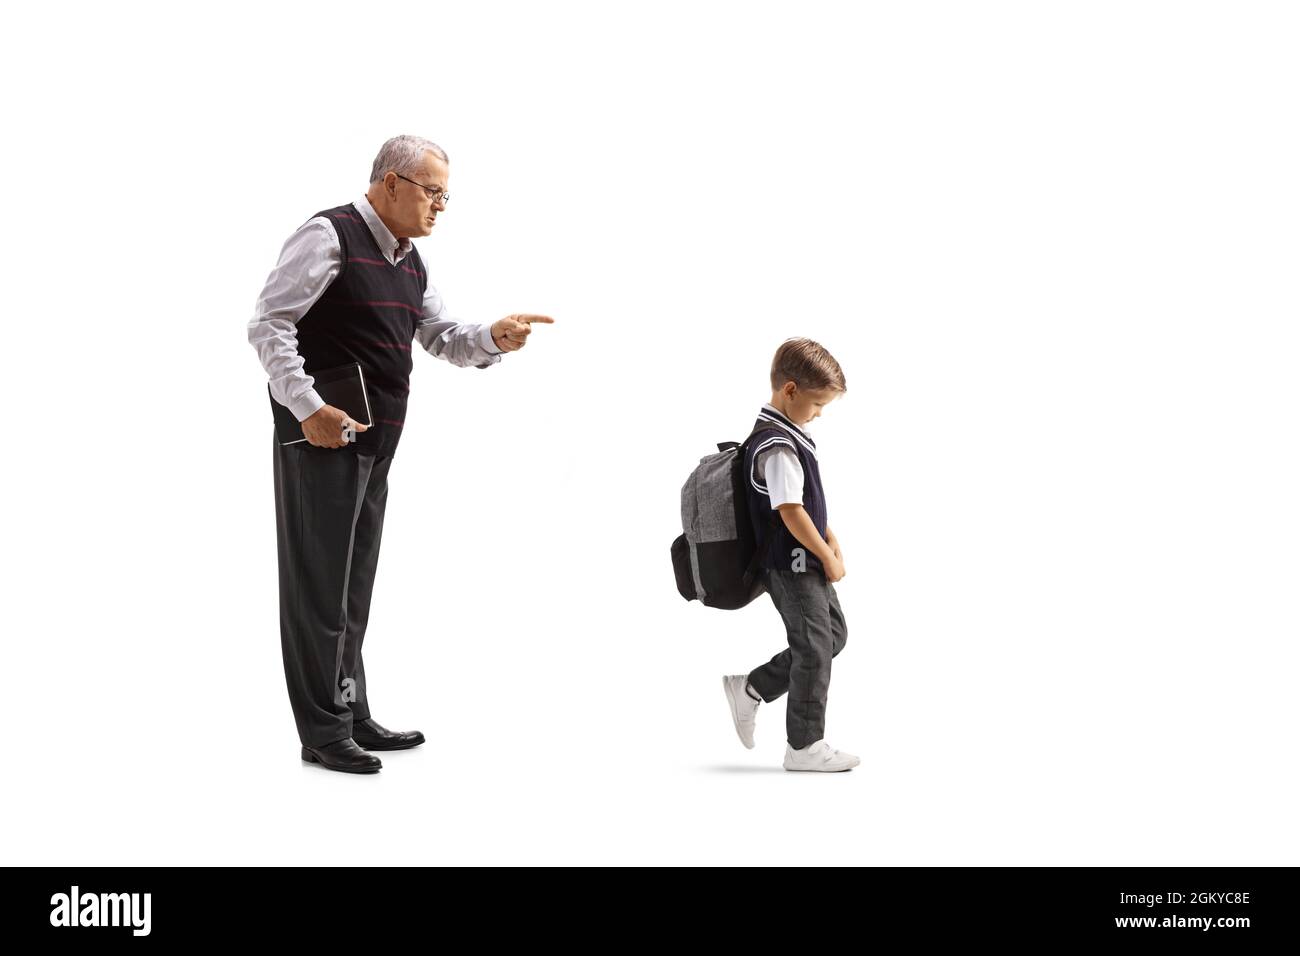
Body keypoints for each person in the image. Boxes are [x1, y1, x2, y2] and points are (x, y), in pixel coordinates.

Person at [247, 134, 553, 773]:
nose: (442, 206)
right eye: (433, 192)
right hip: (323, 441)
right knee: (318, 590)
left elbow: (441, 336)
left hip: (374, 448)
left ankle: (351, 714)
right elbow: (269, 323)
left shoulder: (409, 261)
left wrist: (492, 337)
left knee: (352, 588)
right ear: (392, 184)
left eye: (447, 195)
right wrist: (307, 407)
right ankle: (323, 733)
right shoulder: (329, 236)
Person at [722, 337, 858, 772]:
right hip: (790, 562)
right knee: (815, 648)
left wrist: (830, 539)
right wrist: (828, 555)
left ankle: (752, 687)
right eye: (817, 404)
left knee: (830, 636)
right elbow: (790, 511)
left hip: (805, 558)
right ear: (791, 390)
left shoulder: (789, 435)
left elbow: (802, 505)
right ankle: (804, 746)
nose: (819, 414)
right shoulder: (777, 445)